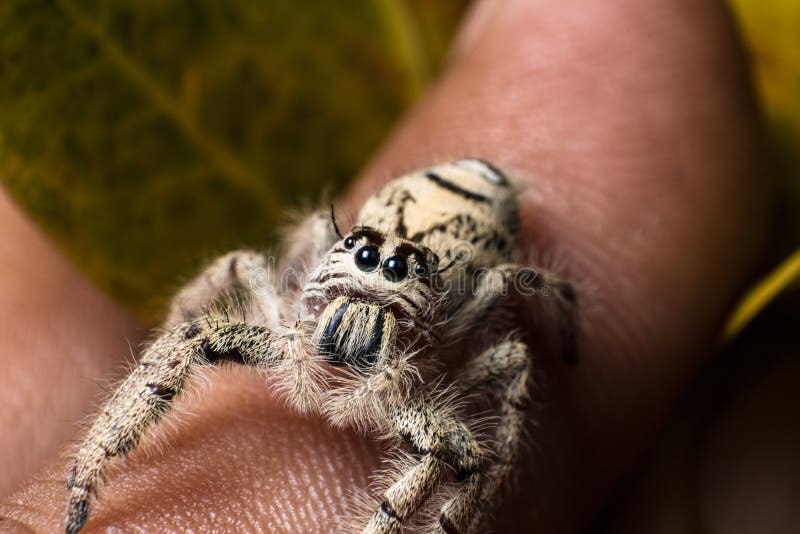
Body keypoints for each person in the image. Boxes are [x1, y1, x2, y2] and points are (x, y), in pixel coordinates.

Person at [0, 1, 772, 531]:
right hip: (402, 214)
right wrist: (90, 467)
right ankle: (90, 469)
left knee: (477, 434)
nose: (354, 319)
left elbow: (512, 332)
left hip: (475, 218)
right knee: (208, 316)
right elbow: (247, 270)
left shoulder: (446, 353)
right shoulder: (302, 302)